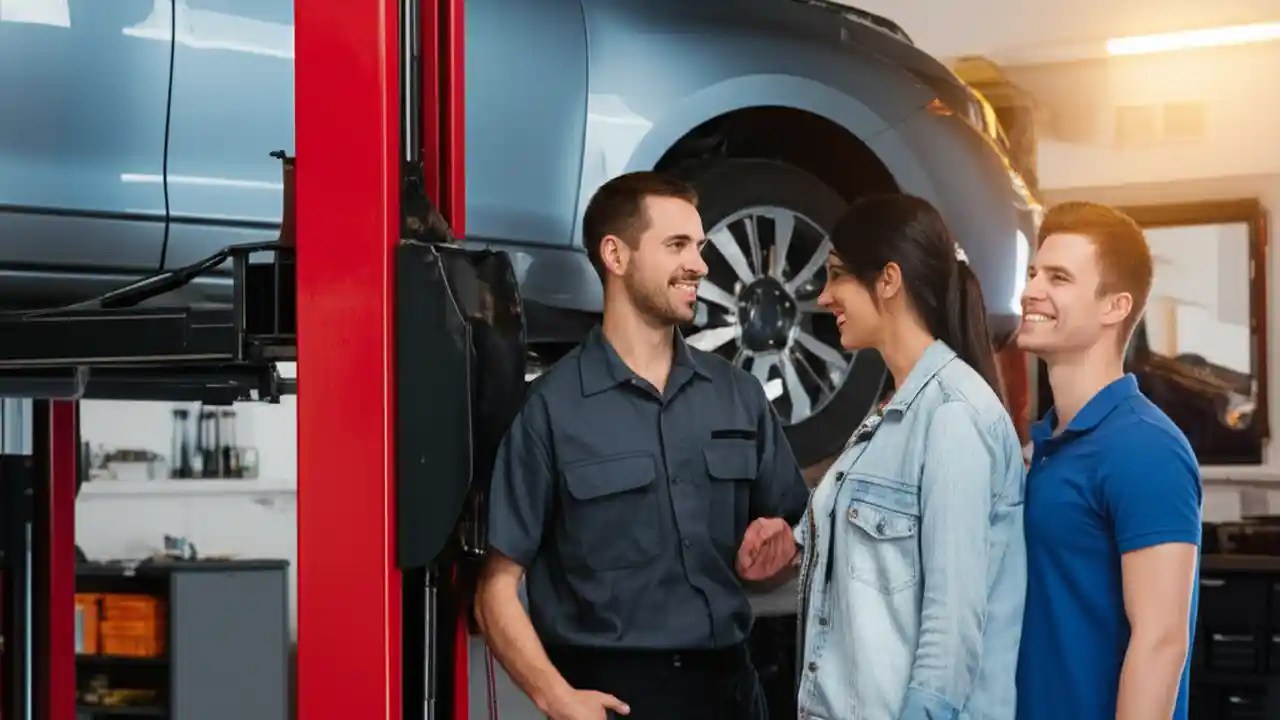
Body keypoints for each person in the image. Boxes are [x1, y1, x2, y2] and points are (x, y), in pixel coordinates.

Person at [473, 171, 809, 720]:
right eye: (677, 245)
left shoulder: (738, 396)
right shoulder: (551, 411)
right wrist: (556, 698)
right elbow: (495, 591)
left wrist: (782, 552)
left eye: (698, 247)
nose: (699, 264)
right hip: (616, 700)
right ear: (616, 255)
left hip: (734, 690)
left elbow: (793, 543)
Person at [741, 194, 1027, 719]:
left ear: (888, 280)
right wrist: (793, 548)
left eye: (836, 276)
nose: (824, 297)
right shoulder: (891, 412)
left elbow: (952, 625)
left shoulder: (952, 417)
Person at [1014, 202, 1202, 720]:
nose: (1031, 290)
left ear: (1114, 306)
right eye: (1033, 273)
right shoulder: (1045, 447)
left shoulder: (1145, 449)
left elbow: (1161, 641)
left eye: (1058, 278)